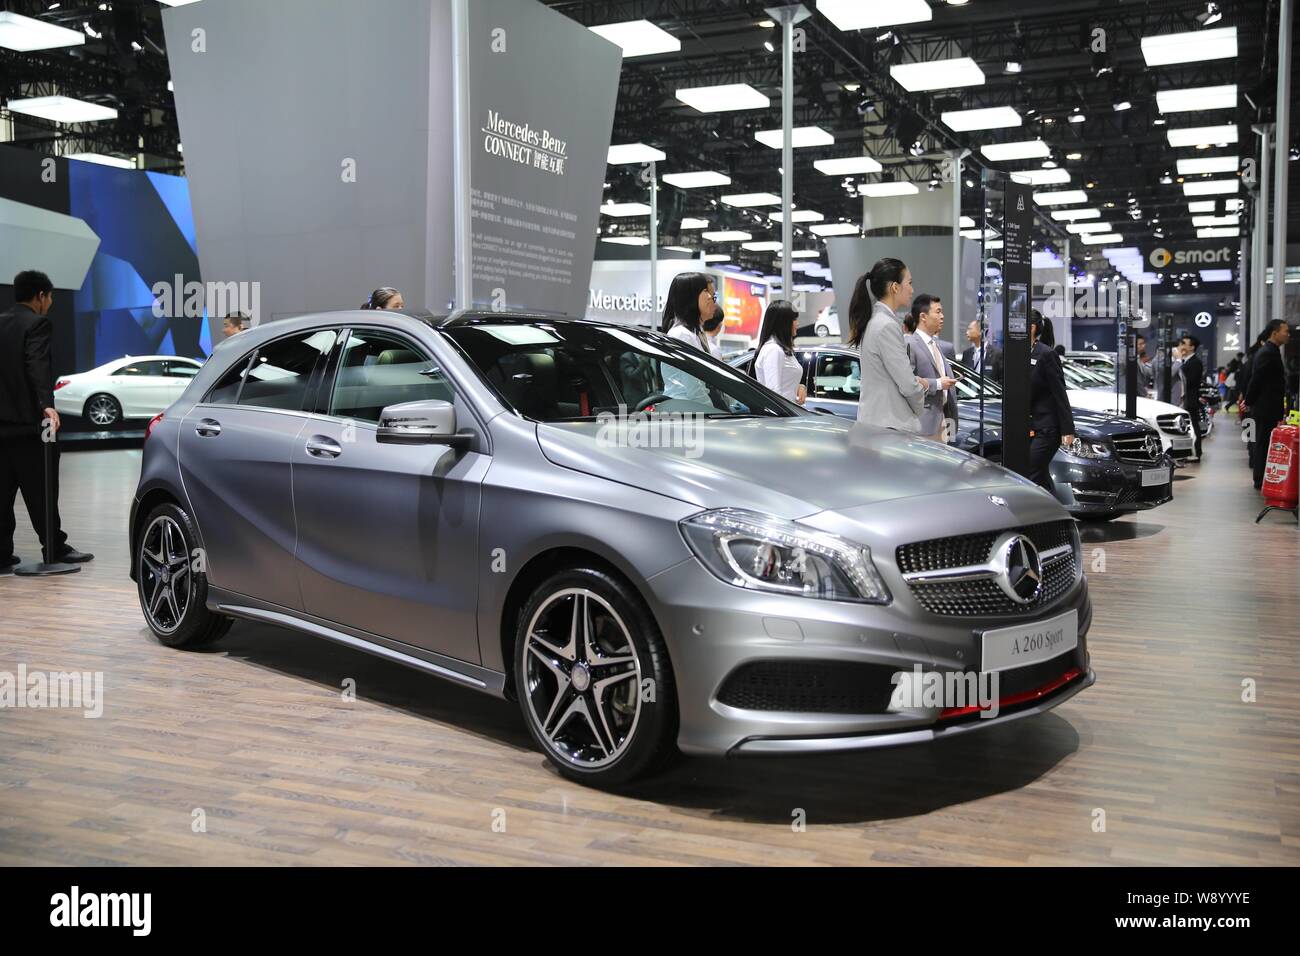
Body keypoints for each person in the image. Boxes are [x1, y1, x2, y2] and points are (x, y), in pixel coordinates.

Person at [0, 271, 94, 572]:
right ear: (40, 296)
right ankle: (54, 548)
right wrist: (47, 406)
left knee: (1, 493)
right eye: (50, 297)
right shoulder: (37, 324)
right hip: (31, 425)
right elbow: (36, 364)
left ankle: (1, 554)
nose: (51, 303)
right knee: (42, 489)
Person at [846, 258, 936, 432]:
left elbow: (889, 376)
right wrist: (921, 387)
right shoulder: (886, 325)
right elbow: (908, 385)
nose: (912, 289)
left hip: (880, 424)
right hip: (889, 426)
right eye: (909, 283)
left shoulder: (876, 321)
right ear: (895, 287)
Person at [1027, 309, 1075, 493]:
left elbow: (1059, 393)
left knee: (1033, 470)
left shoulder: (1046, 354)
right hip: (1030, 426)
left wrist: (1068, 429)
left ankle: (1050, 513)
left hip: (1047, 427)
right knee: (1038, 472)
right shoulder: (1016, 353)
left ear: (1031, 328)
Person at [1243, 319, 1292, 490]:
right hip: (1264, 407)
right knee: (1262, 443)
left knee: (1264, 442)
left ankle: (1262, 477)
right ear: (1274, 332)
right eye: (1285, 331)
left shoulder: (1272, 351)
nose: (1288, 334)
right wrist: (1248, 401)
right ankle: (1259, 479)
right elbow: (1257, 379)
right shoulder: (1267, 353)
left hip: (1268, 406)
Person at [658, 272, 716, 404]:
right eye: (706, 291)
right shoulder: (682, 335)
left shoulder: (692, 333)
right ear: (690, 296)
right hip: (688, 409)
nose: (710, 298)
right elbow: (694, 387)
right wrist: (712, 412)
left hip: (690, 407)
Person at [906, 294, 958, 442]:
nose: (942, 316)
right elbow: (907, 383)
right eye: (938, 311)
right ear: (923, 316)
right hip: (923, 425)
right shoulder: (910, 344)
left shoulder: (935, 344)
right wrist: (939, 383)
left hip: (944, 420)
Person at [754, 300, 806, 404]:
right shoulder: (773, 350)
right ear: (783, 323)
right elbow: (774, 393)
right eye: (794, 319)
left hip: (787, 414)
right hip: (783, 417)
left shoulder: (779, 348)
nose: (798, 323)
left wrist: (799, 386)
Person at [1179, 335, 1205, 460]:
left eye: (1184, 343)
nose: (1181, 346)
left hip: (1190, 399)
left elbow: (1188, 381)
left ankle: (1196, 452)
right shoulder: (1186, 361)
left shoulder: (1195, 362)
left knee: (1193, 425)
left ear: (1191, 347)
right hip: (1185, 399)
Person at [961, 319, 1003, 383]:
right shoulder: (967, 353)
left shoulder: (997, 354)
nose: (967, 332)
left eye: (970, 329)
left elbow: (1002, 379)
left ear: (981, 331)